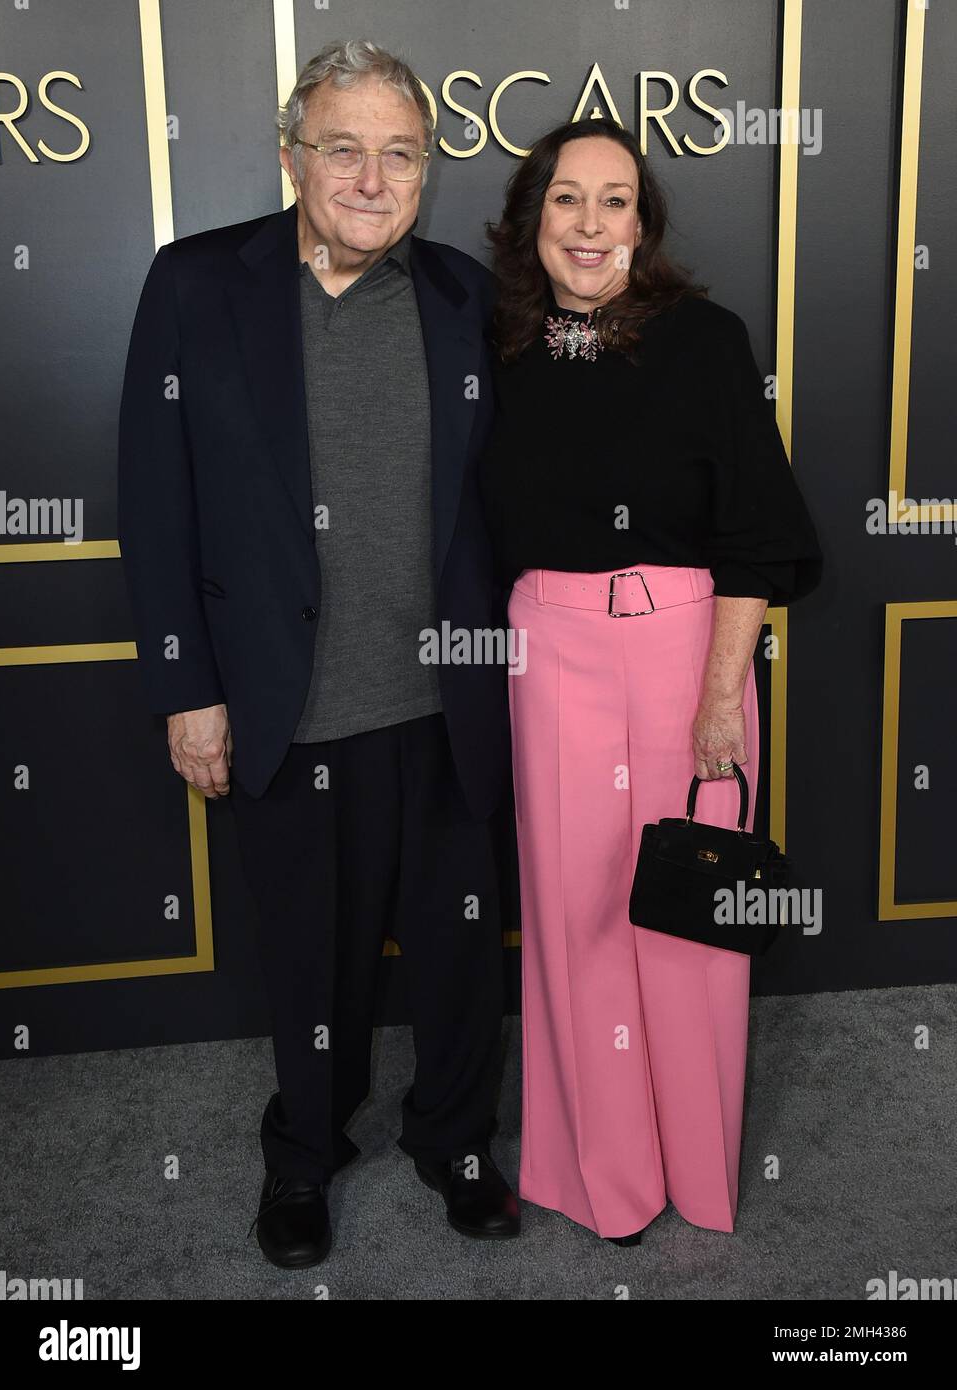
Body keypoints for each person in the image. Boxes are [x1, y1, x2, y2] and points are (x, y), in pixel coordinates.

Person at [117, 39, 519, 1268]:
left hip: (444, 702)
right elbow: (155, 496)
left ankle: (454, 1144)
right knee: (309, 964)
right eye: (341, 147)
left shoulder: (466, 300)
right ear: (291, 155)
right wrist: (188, 690)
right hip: (283, 709)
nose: (368, 175)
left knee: (456, 953)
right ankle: (303, 1157)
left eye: (399, 153)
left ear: (425, 174)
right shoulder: (196, 285)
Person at [478, 118, 823, 1244]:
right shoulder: (495, 350)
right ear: (532, 222)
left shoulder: (706, 340)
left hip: (689, 651)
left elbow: (759, 537)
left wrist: (723, 692)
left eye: (613, 201)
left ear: (644, 221)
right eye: (565, 201)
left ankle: (697, 1168)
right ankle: (604, 1178)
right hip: (552, 651)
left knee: (688, 914)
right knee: (575, 919)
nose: (589, 225)